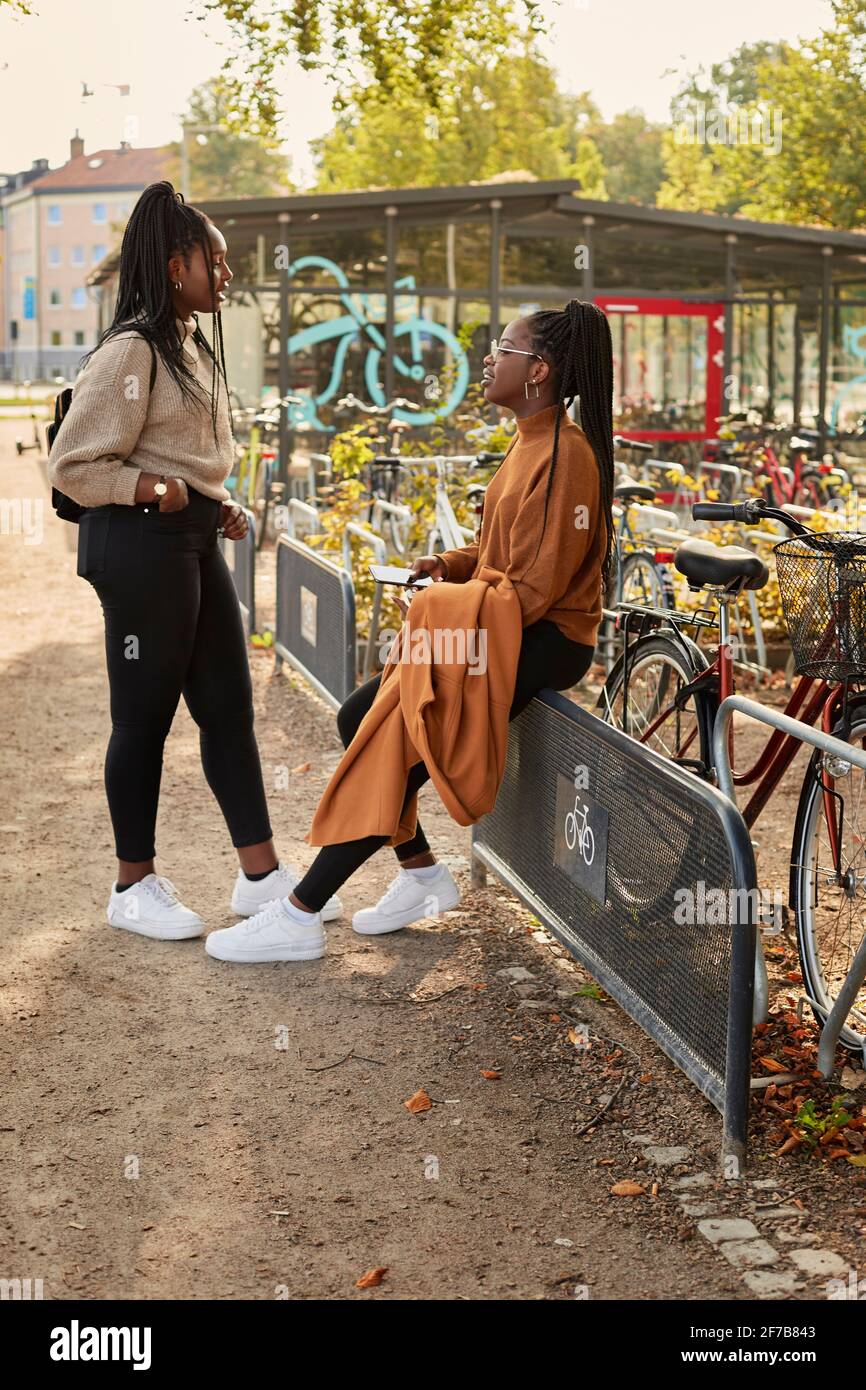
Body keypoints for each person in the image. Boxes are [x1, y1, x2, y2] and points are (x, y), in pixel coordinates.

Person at [205, 299, 614, 964]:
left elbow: (535, 591)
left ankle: (300, 912)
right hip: (498, 624)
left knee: (396, 740)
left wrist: (445, 600)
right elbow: (497, 558)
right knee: (359, 717)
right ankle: (423, 874)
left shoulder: (567, 455)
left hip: (543, 641)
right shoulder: (530, 439)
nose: (488, 359)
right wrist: (445, 569)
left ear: (538, 370)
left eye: (502, 349)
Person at [48, 181, 341, 942]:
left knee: (227, 707)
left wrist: (215, 499)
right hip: (139, 547)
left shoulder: (188, 343)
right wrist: (151, 487)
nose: (227, 274)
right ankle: (132, 885)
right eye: (215, 260)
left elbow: (188, 453)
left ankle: (260, 876)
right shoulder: (132, 350)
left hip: (190, 536)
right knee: (142, 719)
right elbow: (73, 464)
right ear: (177, 265)